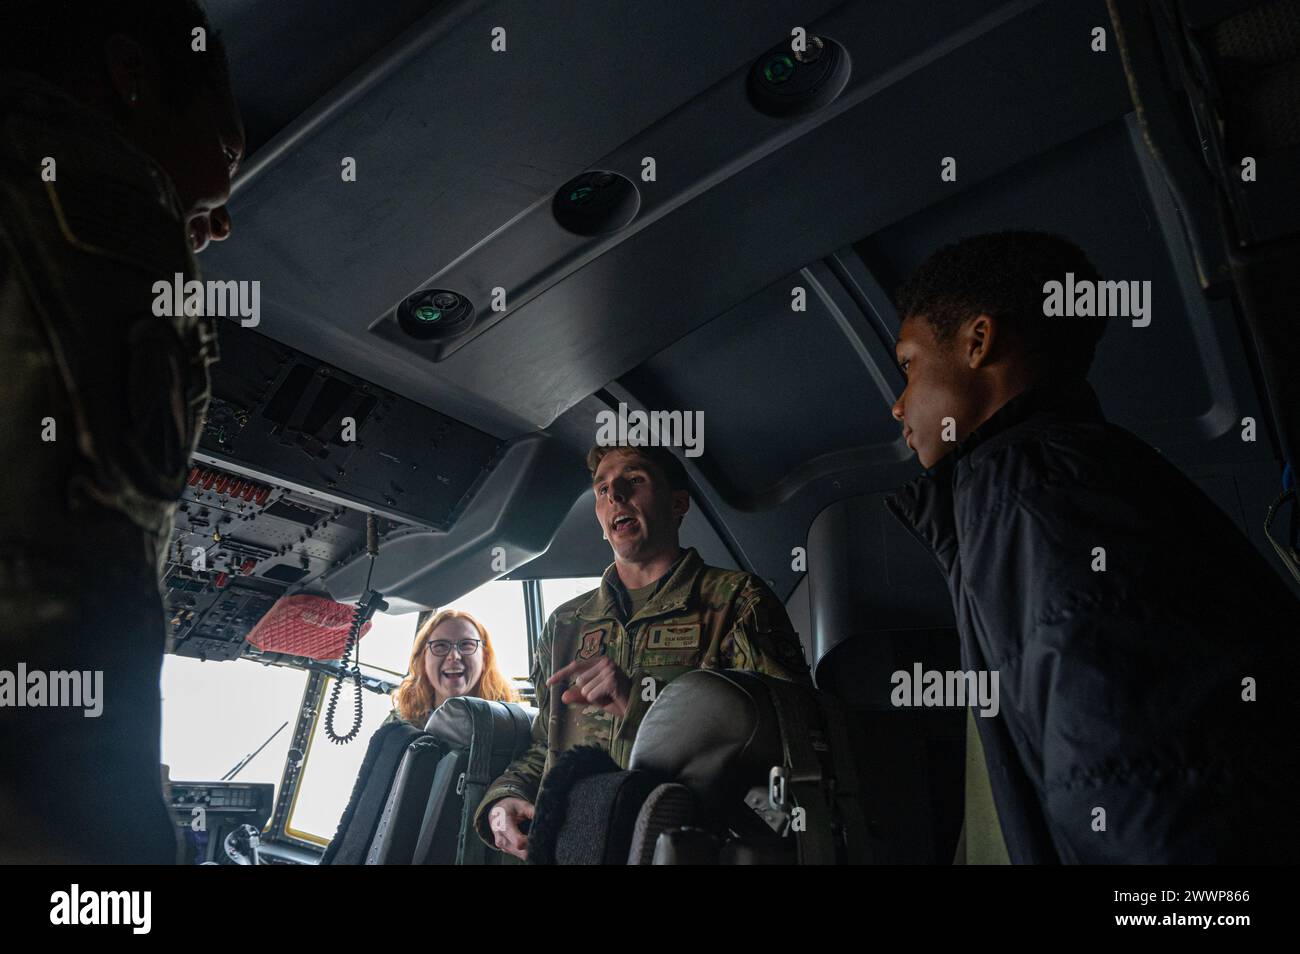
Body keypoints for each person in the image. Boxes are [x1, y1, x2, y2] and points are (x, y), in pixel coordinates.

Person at [884, 230, 1300, 863]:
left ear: (978, 341)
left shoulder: (1028, 483)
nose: (898, 406)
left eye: (909, 364)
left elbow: (1132, 781)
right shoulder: (1057, 471)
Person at [0, 0, 243, 862]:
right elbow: (62, 629)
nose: (222, 217)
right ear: (129, 75)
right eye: (229, 152)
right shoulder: (91, 183)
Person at [475, 443, 811, 860]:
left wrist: (639, 704)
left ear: (678, 504)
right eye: (602, 489)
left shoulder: (736, 601)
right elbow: (546, 744)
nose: (615, 495)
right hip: (579, 849)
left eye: (634, 480)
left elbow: (796, 740)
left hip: (686, 847)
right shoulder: (566, 623)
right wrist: (505, 798)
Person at [389, 610, 519, 727]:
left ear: (485, 657)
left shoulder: (511, 725)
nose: (454, 656)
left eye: (466, 644)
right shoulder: (398, 726)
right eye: (440, 645)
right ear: (423, 659)